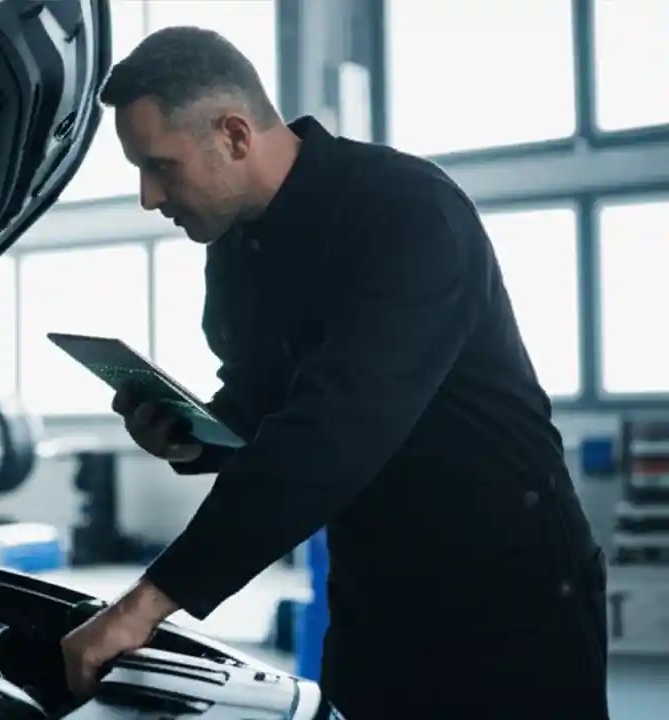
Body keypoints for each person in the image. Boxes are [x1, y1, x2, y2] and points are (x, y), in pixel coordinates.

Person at [60, 26, 609, 719]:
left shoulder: (406, 212)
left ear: (234, 134)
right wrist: (191, 435)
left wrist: (149, 602)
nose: (147, 196)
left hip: (506, 594)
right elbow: (267, 397)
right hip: (376, 594)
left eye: (160, 166)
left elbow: (331, 432)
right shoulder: (236, 247)